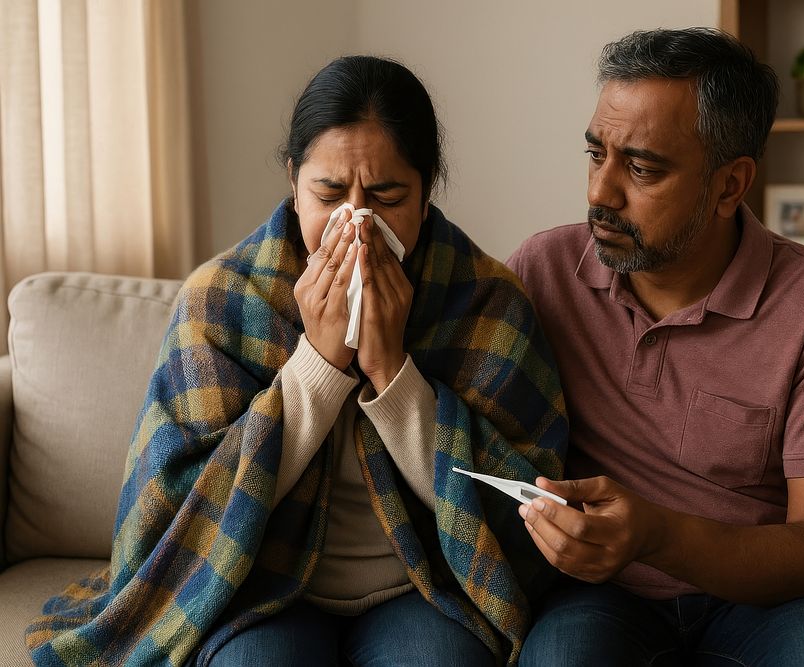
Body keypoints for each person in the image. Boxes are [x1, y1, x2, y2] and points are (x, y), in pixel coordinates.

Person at [26, 56, 566, 666]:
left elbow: (529, 513)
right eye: (329, 194)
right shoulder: (221, 299)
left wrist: (392, 373)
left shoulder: (487, 301)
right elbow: (176, 509)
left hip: (422, 587)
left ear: (425, 193)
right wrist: (320, 364)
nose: (356, 223)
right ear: (293, 180)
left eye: (387, 196)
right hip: (258, 585)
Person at [507, 28, 804, 665]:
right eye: (596, 155)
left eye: (641, 168)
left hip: (768, 599)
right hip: (602, 595)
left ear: (729, 186)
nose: (600, 193)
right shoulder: (545, 271)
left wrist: (655, 536)